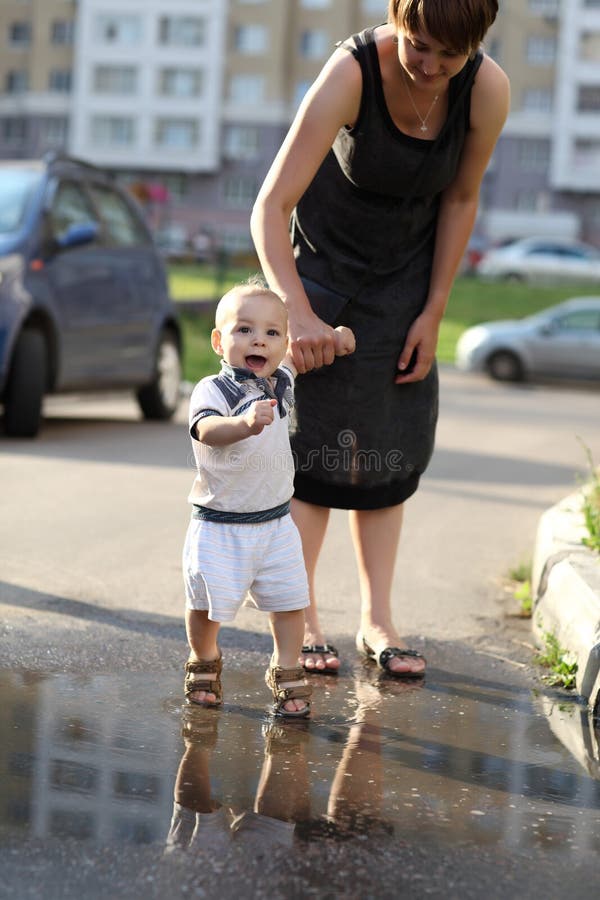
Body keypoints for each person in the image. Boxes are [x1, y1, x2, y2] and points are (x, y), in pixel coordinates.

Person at [250, 0, 510, 677]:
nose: (427, 68)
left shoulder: (486, 90)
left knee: (388, 459)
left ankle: (378, 621)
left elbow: (460, 198)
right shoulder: (350, 74)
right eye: (416, 45)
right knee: (313, 463)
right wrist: (296, 312)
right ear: (398, 18)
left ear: (475, 47)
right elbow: (270, 207)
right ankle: (301, 618)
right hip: (321, 284)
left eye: (446, 58)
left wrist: (433, 311)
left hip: (406, 291)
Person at [181, 279, 354, 716]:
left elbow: (302, 355)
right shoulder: (212, 390)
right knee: (207, 604)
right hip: (219, 523)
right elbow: (205, 430)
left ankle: (288, 665)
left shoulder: (282, 377)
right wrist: (241, 424)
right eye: (244, 330)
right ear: (220, 342)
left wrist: (337, 339)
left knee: (291, 602)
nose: (258, 339)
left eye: (272, 333)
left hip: (277, 524)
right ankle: (204, 658)